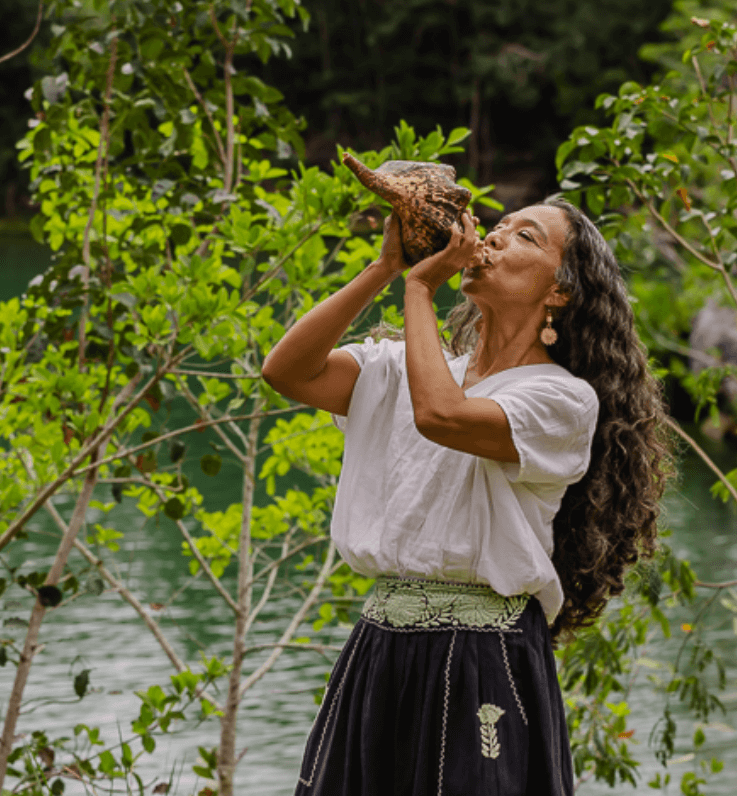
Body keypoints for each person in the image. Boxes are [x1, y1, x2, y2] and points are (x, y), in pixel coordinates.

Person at [260, 196, 675, 796]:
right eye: (498, 227)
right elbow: (286, 372)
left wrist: (419, 292)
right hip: (379, 645)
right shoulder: (398, 368)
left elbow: (442, 417)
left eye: (525, 236)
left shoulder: (561, 400)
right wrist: (385, 269)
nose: (496, 237)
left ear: (559, 291)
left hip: (484, 656)